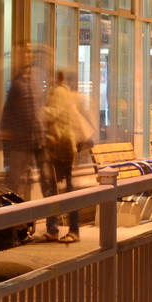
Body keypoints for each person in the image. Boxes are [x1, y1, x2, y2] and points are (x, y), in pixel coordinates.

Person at [40, 69, 91, 242]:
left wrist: (36, 110)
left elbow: (53, 113)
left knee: (58, 190)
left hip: (62, 146)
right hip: (66, 145)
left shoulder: (59, 92)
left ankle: (65, 229)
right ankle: (58, 228)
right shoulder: (66, 93)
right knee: (60, 189)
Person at [0, 44, 46, 203]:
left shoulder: (33, 80)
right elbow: (9, 111)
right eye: (24, 53)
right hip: (21, 141)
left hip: (36, 139)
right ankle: (13, 213)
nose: (27, 56)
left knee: (39, 181)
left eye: (29, 52)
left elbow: (38, 108)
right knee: (15, 182)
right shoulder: (18, 83)